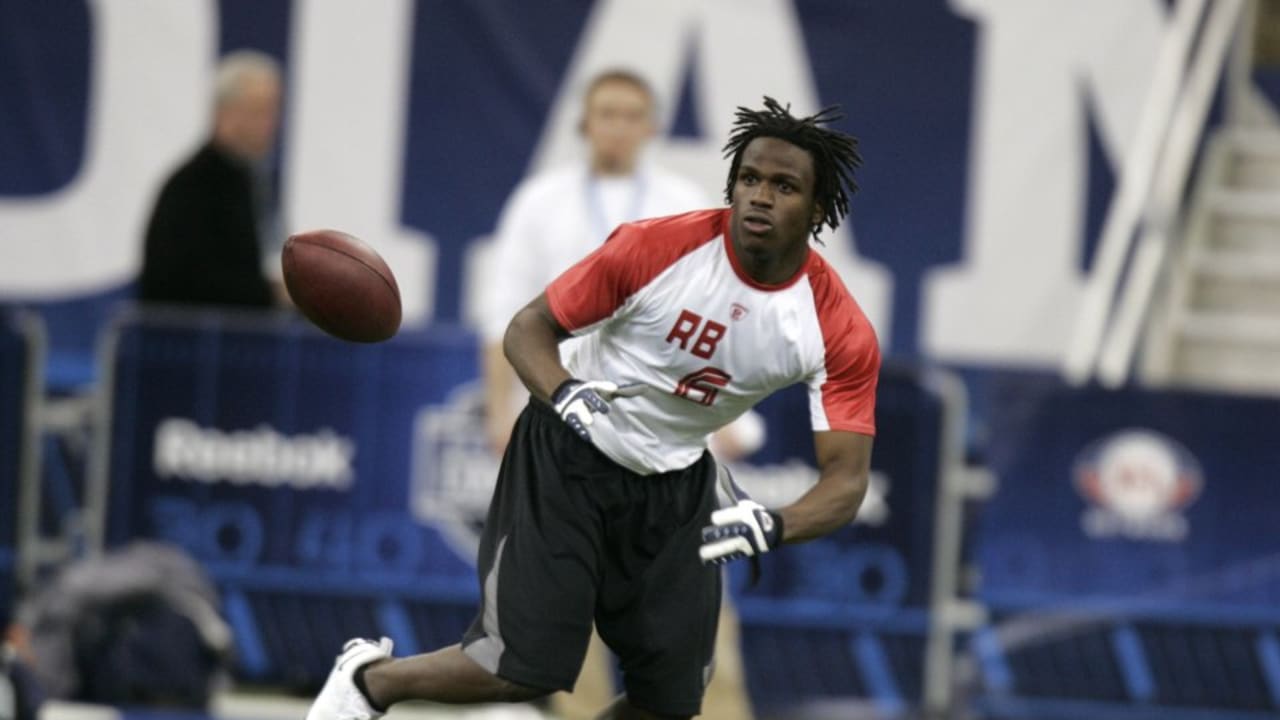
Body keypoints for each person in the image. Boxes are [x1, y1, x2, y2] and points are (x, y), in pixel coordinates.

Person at [306, 97, 879, 720]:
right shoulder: (657, 247)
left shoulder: (836, 326)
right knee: (521, 667)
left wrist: (775, 524)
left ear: (817, 209)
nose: (760, 197)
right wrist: (563, 391)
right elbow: (527, 327)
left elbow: (846, 481)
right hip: (571, 453)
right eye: (749, 179)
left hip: (677, 481)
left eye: (784, 186)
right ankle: (371, 681)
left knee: (671, 703)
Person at [479, 69, 708, 454]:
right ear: (585, 122)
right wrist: (499, 411)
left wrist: (721, 417)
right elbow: (504, 311)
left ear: (652, 127)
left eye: (632, 116)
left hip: (658, 413)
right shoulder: (539, 200)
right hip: (555, 398)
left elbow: (710, 312)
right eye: (607, 114)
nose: (619, 127)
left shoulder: (684, 204)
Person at [137, 50, 284, 309]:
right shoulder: (189, 188)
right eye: (259, 110)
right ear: (224, 113)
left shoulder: (247, 180)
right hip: (191, 334)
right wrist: (271, 295)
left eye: (273, 110)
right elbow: (179, 282)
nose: (270, 124)